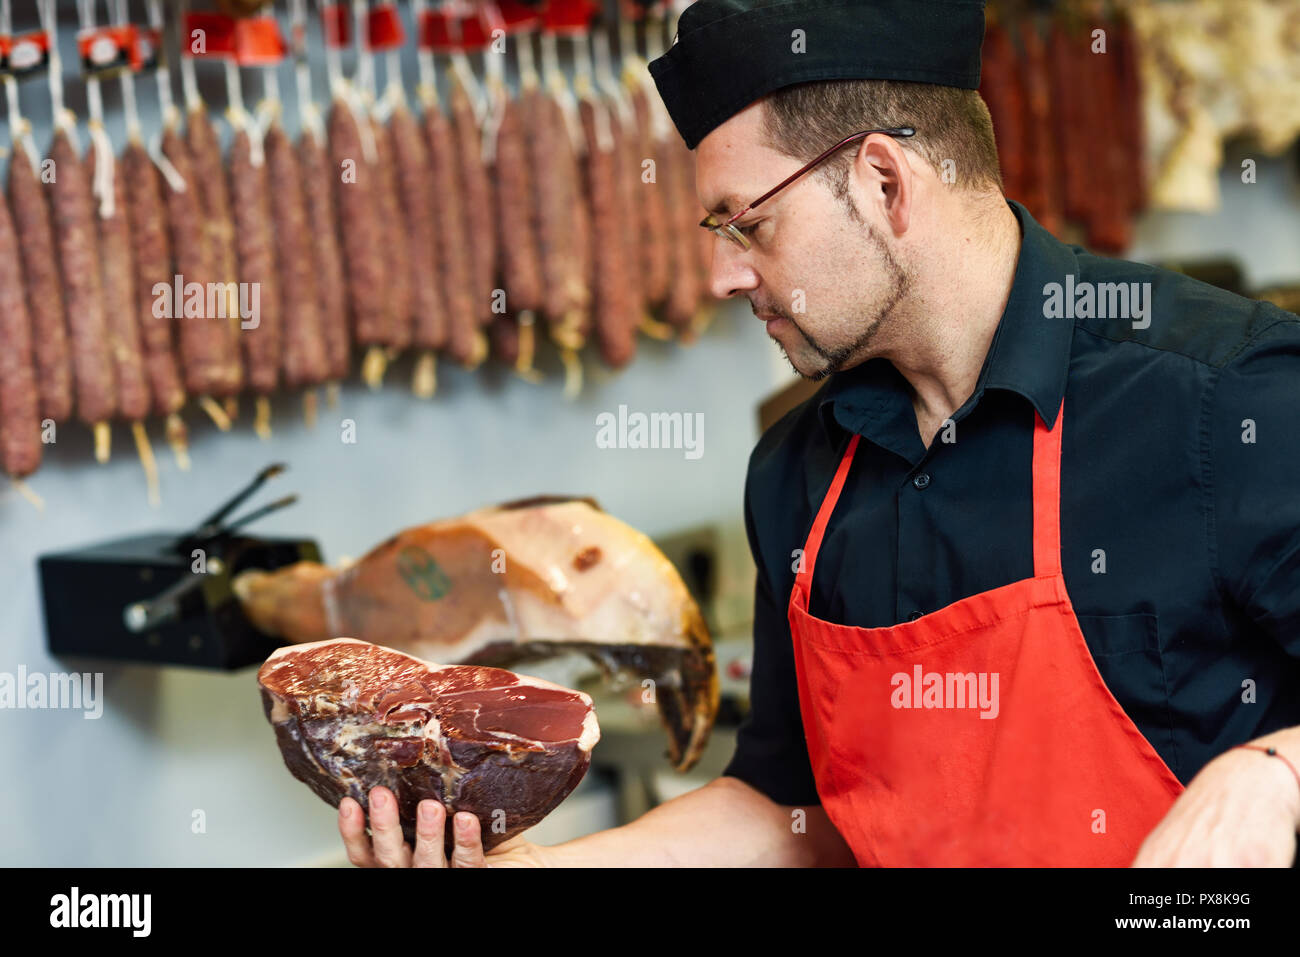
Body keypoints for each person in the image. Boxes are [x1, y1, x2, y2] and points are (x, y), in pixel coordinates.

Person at [339, 0, 1300, 867]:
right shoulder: (799, 472)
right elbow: (788, 807)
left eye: (747, 226)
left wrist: (1273, 772)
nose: (723, 278)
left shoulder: (1226, 399)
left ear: (884, 182)